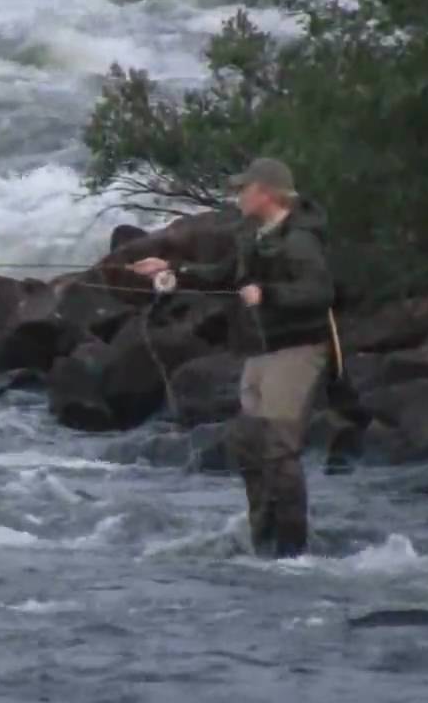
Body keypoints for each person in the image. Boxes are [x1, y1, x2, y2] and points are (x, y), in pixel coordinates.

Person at [128, 157, 335, 558]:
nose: (238, 196)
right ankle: (265, 542)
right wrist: (174, 271)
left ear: (267, 193)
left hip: (295, 350)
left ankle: (294, 553)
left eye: (244, 189)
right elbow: (224, 275)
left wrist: (269, 294)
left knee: (277, 446)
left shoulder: (300, 240)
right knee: (248, 443)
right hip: (259, 350)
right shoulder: (253, 234)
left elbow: (320, 292)